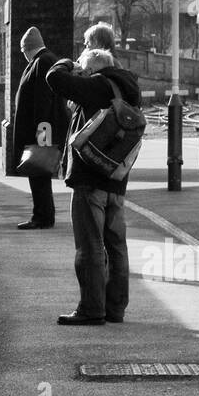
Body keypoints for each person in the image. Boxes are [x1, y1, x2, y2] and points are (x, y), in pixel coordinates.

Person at [46, 46, 142, 326]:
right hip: (117, 179)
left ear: (90, 70)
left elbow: (55, 79)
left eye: (83, 69)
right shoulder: (127, 87)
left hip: (90, 179)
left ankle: (91, 308)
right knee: (116, 246)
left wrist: (66, 62)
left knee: (90, 246)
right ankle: (115, 308)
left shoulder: (97, 85)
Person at [9, 26, 69, 229]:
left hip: (42, 130)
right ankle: (42, 214)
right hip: (43, 128)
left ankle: (42, 217)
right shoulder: (44, 60)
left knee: (38, 171)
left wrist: (41, 131)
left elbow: (43, 99)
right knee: (39, 172)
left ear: (26, 49)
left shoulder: (41, 62)